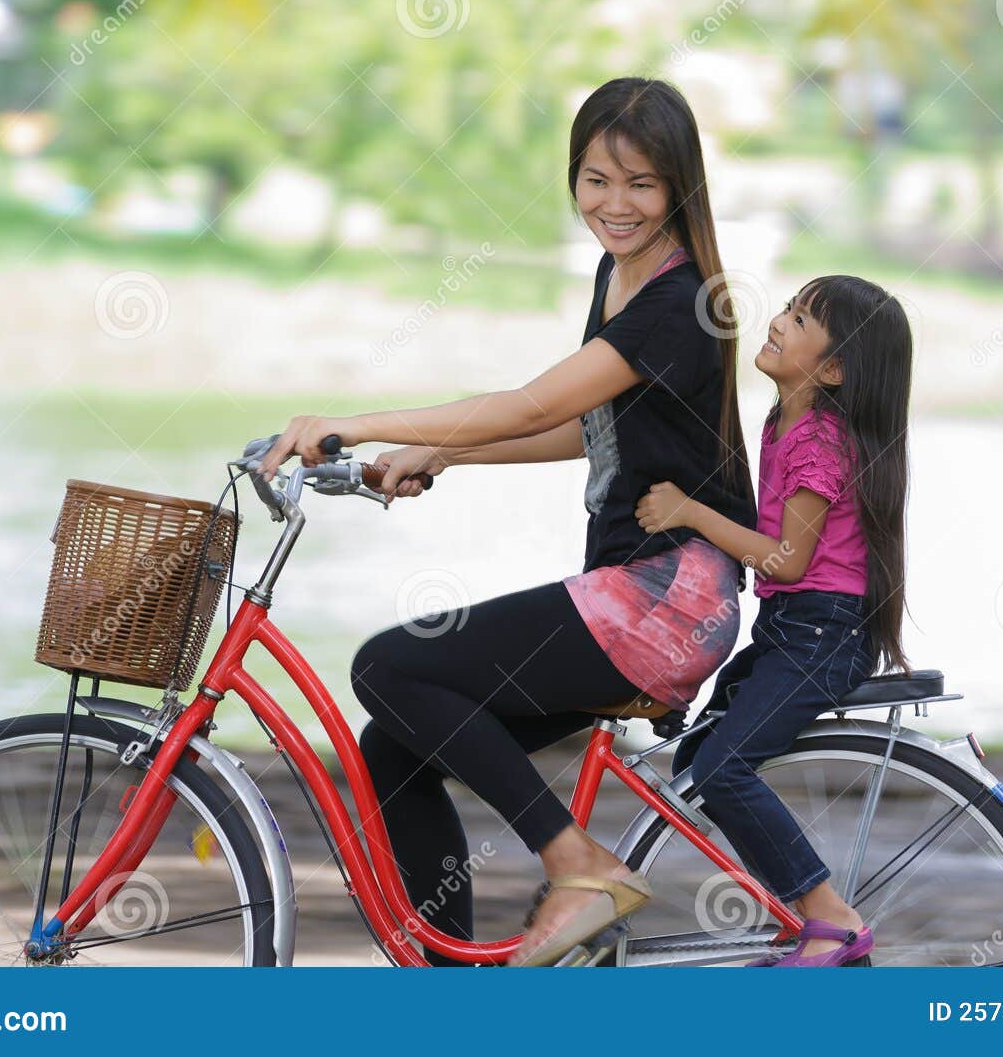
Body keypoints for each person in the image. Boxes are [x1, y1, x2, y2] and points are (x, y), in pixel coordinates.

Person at [257, 76, 757, 966]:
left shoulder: (679, 302)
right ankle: (454, 984)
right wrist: (447, 453)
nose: (615, 204)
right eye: (596, 179)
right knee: (396, 739)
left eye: (641, 183)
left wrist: (358, 421)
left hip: (667, 598)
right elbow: (581, 425)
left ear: (679, 185)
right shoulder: (621, 274)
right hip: (637, 594)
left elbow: (528, 404)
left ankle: (579, 865)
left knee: (385, 664)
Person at [633, 274, 914, 967]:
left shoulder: (820, 438)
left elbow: (787, 559)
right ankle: (803, 915)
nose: (781, 320)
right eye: (787, 307)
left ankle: (831, 921)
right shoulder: (781, 420)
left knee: (725, 768)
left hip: (823, 632)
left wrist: (690, 513)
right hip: (791, 628)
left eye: (801, 318)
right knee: (699, 759)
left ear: (834, 368)